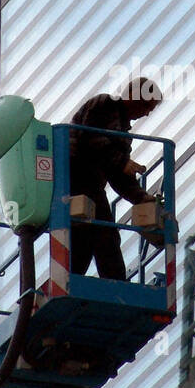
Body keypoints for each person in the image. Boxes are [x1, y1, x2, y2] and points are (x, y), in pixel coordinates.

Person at [67, 76, 163, 280]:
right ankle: (116, 283)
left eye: (150, 109)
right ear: (132, 96)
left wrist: (140, 197)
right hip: (76, 174)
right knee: (106, 234)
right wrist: (121, 163)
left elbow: (119, 175)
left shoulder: (123, 134)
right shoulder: (104, 104)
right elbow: (90, 138)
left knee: (84, 242)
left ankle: (69, 281)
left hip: (87, 182)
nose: (146, 113)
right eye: (146, 105)